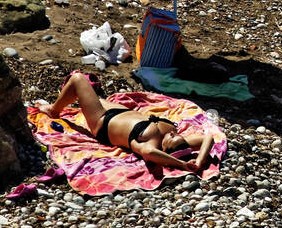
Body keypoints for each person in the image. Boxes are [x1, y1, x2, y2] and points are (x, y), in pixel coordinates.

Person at [37, 72, 214, 173]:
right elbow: (208, 138)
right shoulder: (180, 144)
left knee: (77, 80)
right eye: (177, 136)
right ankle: (70, 95)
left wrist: (182, 165)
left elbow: (150, 153)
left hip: (102, 122)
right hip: (122, 112)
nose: (174, 134)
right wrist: (199, 160)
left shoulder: (150, 144)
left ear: (166, 150)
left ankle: (53, 110)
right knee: (85, 94)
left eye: (171, 138)